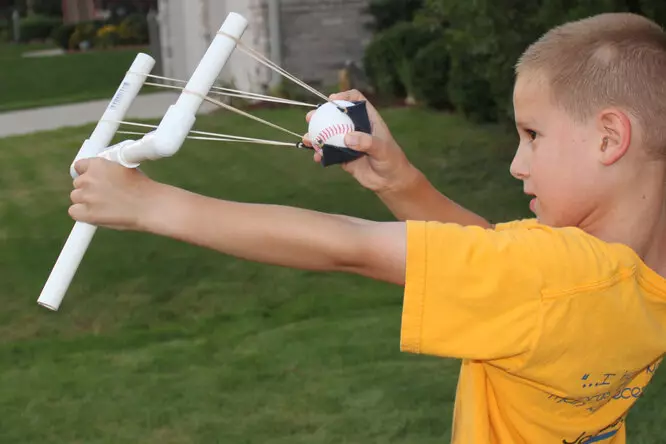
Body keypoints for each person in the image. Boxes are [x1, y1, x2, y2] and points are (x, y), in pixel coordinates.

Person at [67, 12, 666, 444]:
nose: (516, 162)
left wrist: (150, 205)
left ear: (610, 138)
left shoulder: (551, 276)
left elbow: (349, 247)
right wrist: (397, 180)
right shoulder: (632, 276)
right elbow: (493, 256)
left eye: (532, 134)